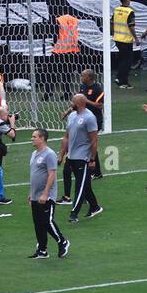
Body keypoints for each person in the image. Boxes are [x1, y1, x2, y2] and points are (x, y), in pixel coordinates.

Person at [59, 93, 103, 223]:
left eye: (73, 101)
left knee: (80, 185)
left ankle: (74, 213)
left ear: (79, 103)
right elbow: (67, 136)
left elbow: (94, 140)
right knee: (85, 184)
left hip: (83, 157)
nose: (71, 103)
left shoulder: (89, 117)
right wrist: (61, 154)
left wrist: (92, 159)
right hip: (71, 156)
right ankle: (95, 207)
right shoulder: (72, 115)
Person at [27, 128, 69, 259]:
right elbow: (34, 175)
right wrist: (31, 193)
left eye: (34, 136)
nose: (32, 139)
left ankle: (62, 241)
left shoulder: (49, 154)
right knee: (38, 223)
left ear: (42, 138)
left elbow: (52, 174)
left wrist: (45, 194)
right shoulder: (34, 153)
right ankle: (42, 250)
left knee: (47, 221)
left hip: (46, 195)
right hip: (35, 195)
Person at [111, 0, 136, 89]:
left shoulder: (116, 10)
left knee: (122, 60)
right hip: (126, 39)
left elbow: (112, 23)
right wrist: (136, 38)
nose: (130, 0)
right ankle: (122, 81)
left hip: (117, 38)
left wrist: (113, 33)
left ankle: (121, 79)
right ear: (126, 0)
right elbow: (131, 27)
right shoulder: (130, 12)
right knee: (127, 62)